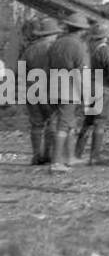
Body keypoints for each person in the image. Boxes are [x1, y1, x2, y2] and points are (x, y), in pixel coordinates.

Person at [47, 12, 92, 172]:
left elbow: (48, 64)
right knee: (64, 124)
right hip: (70, 88)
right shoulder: (79, 46)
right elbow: (82, 72)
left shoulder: (57, 43)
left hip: (54, 85)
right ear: (81, 30)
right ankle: (57, 162)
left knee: (69, 123)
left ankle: (70, 157)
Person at [76, 20, 109, 165]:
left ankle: (77, 153)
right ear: (106, 36)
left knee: (88, 121)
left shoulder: (88, 50)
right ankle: (95, 156)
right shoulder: (107, 51)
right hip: (103, 88)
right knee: (100, 122)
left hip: (89, 87)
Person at [20, 18, 61, 165]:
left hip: (32, 89)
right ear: (53, 33)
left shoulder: (29, 50)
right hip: (51, 90)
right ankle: (48, 154)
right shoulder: (56, 48)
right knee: (52, 122)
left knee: (36, 124)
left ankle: (36, 155)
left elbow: (20, 71)